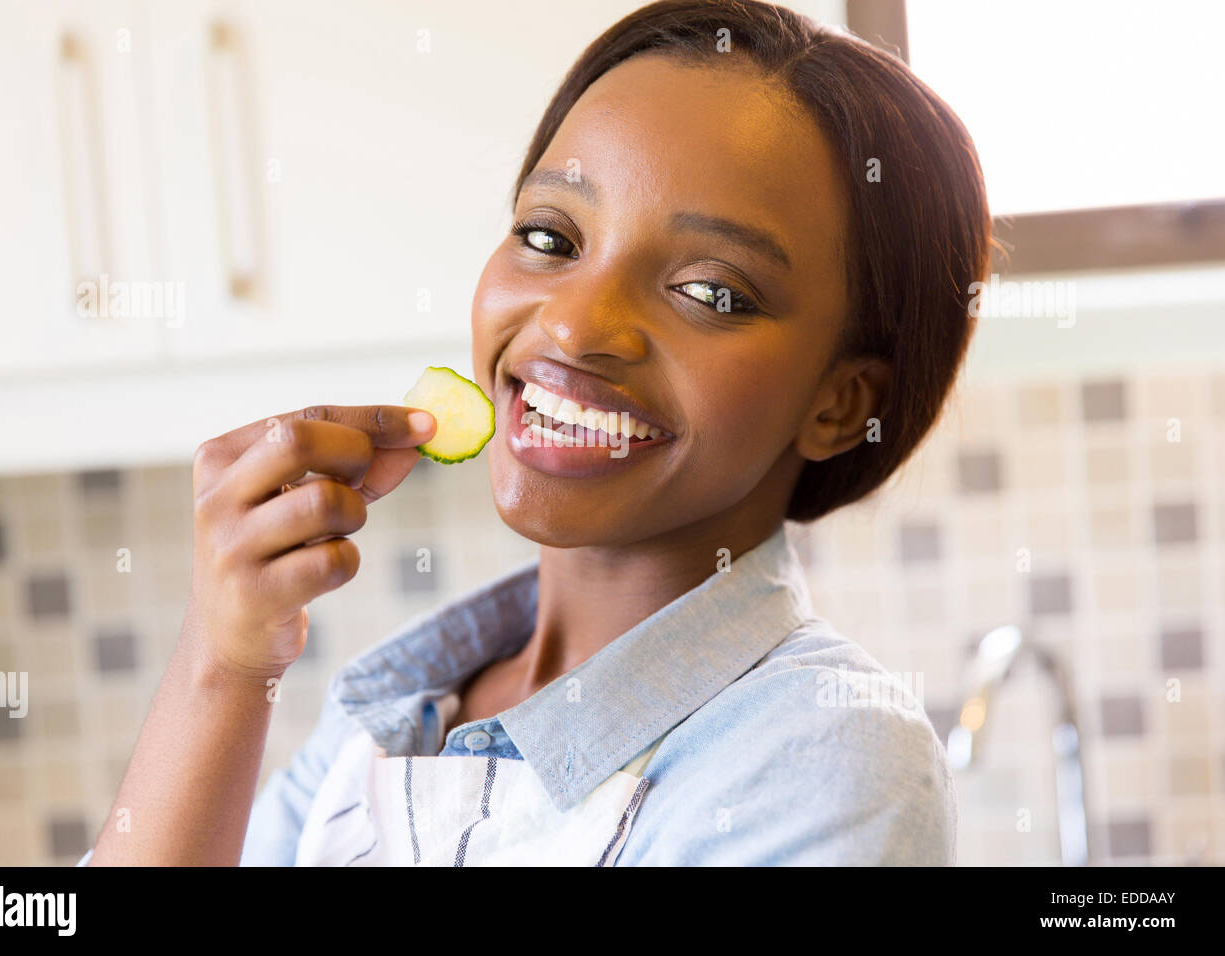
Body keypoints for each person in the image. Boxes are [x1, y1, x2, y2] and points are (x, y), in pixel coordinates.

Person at [84, 0, 990, 866]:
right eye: (551, 238)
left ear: (838, 402)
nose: (573, 325)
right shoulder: (389, 709)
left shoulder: (827, 753)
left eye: (713, 291)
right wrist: (226, 658)